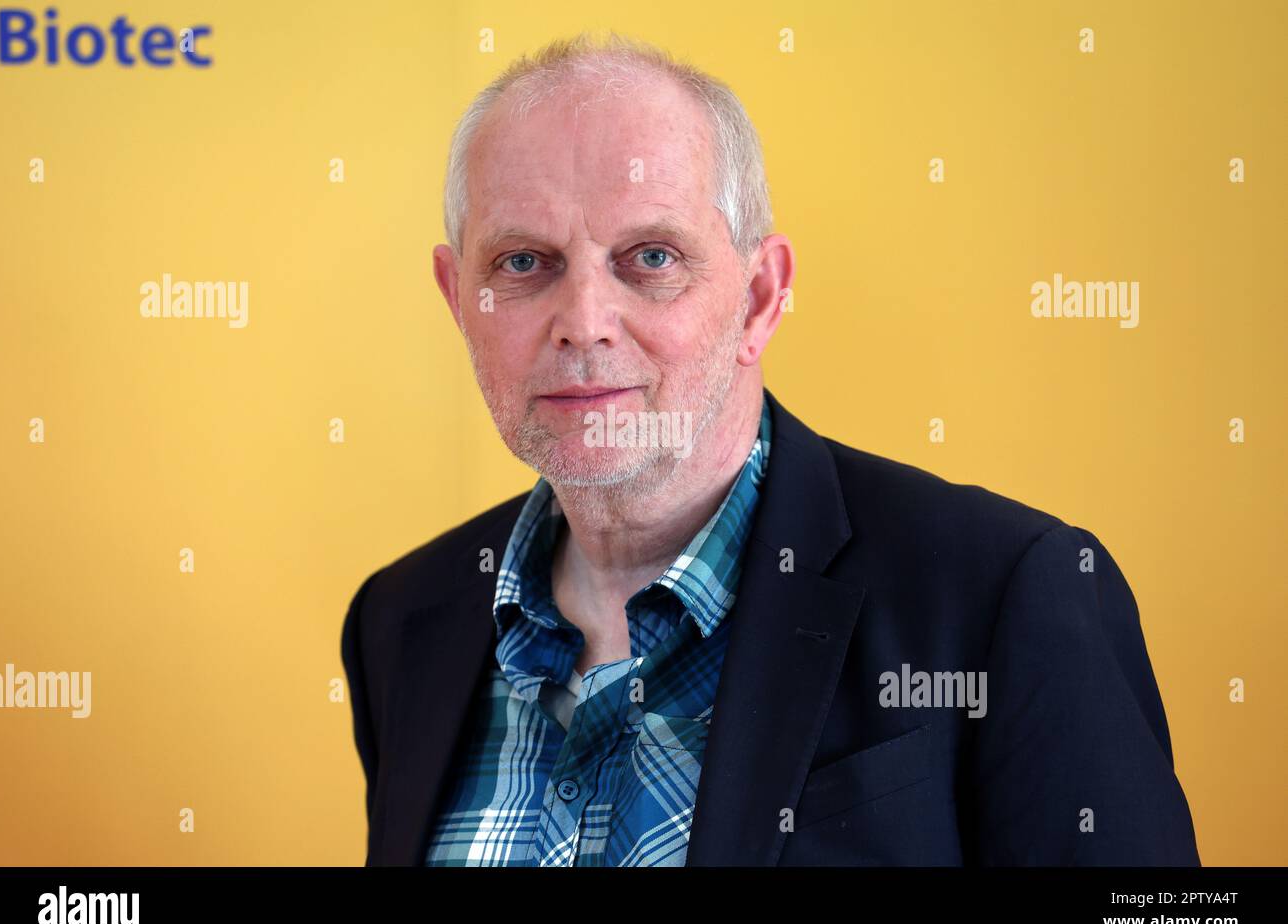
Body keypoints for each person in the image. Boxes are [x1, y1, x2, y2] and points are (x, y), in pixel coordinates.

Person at [340, 31, 1200, 866]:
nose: (585, 323)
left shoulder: (1003, 595)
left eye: (650, 256)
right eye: (525, 263)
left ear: (759, 298)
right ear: (460, 301)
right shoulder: (400, 623)